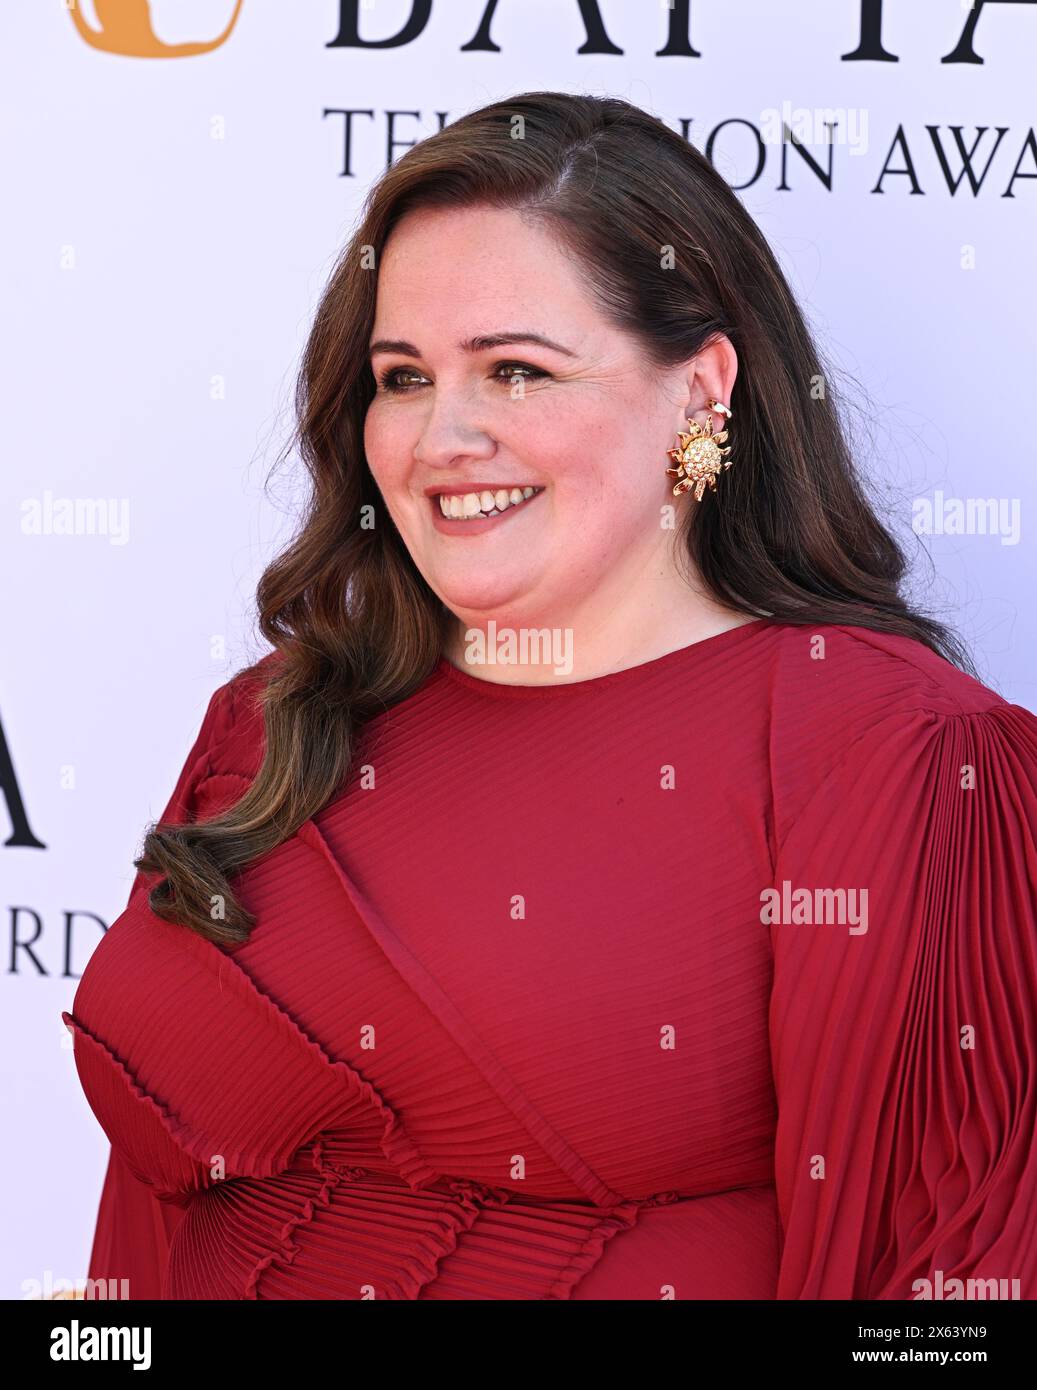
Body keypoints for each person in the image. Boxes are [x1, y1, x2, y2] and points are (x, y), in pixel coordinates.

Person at [62, 91, 1037, 1300]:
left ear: (699, 391)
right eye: (402, 376)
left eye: (515, 370)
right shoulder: (277, 717)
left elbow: (950, 1291)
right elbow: (146, 1222)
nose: (442, 434)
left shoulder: (896, 756)